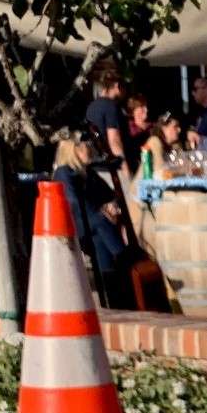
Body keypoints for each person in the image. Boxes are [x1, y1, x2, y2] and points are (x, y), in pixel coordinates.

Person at [51, 131, 126, 295]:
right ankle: (124, 259)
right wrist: (102, 213)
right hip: (76, 226)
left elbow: (110, 195)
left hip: (93, 227)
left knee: (99, 237)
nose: (90, 150)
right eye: (86, 147)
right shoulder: (64, 173)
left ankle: (113, 287)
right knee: (101, 223)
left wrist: (111, 205)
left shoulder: (86, 172)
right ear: (74, 150)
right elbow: (75, 205)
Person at [84, 66, 128, 173]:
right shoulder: (111, 106)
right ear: (117, 85)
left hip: (94, 167)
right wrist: (125, 168)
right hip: (111, 169)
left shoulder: (91, 106)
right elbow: (114, 141)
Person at [123, 93, 152, 176]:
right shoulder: (128, 129)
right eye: (142, 107)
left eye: (146, 106)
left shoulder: (152, 127)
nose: (146, 109)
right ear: (133, 110)